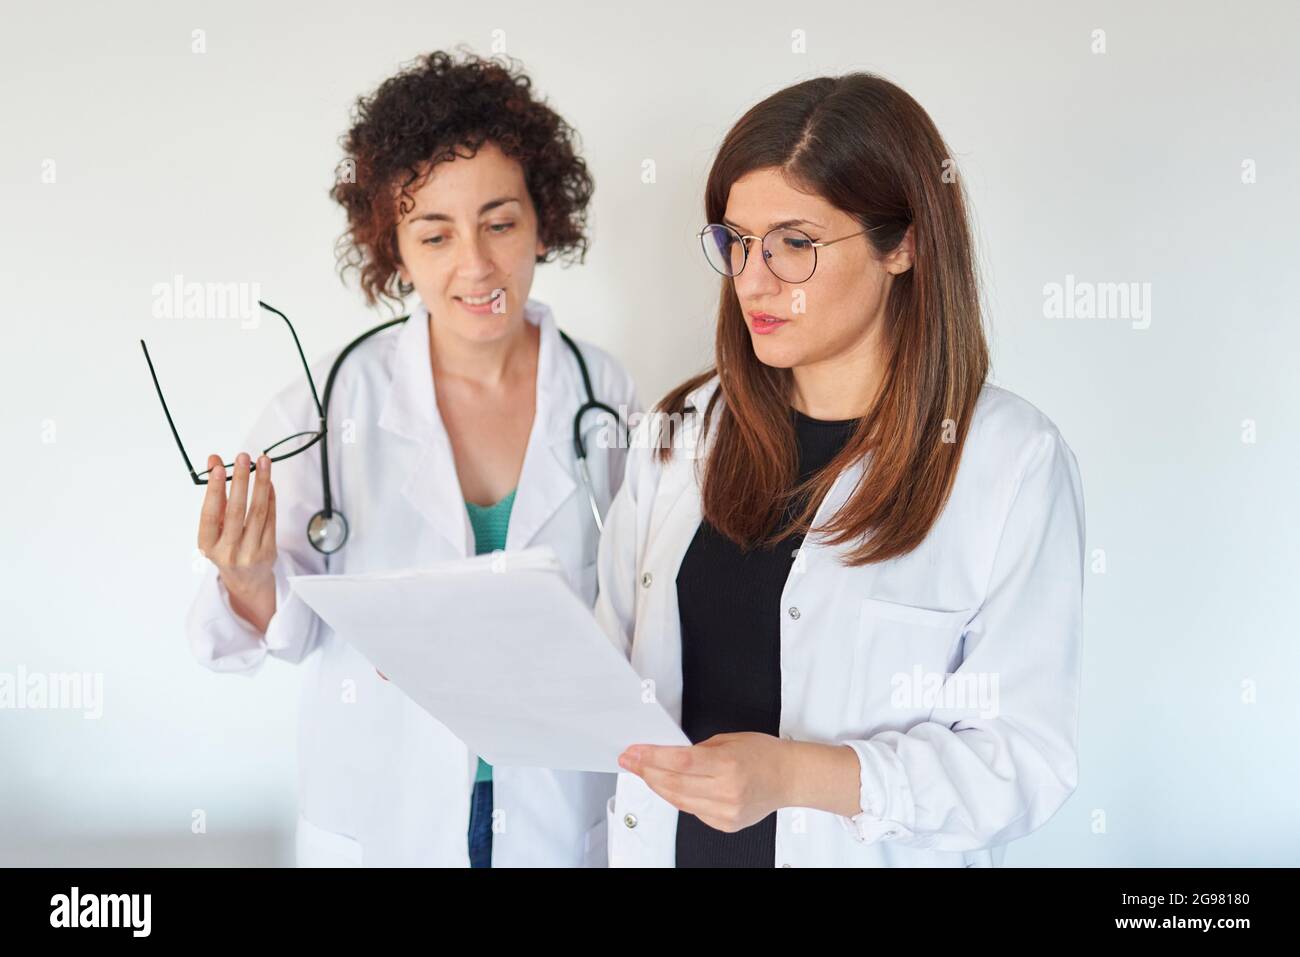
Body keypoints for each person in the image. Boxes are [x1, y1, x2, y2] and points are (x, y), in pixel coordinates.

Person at [595, 72, 1085, 867]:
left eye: (795, 243)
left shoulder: (1009, 462)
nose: (753, 279)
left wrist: (796, 774)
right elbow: (603, 664)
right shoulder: (685, 431)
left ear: (904, 243)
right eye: (737, 241)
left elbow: (1023, 760)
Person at [185, 51, 637, 867]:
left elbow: (639, 614)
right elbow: (255, 640)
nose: (476, 264)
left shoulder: (606, 395)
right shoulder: (318, 414)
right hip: (387, 808)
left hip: (556, 805)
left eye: (500, 222)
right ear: (394, 247)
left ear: (545, 218)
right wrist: (248, 583)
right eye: (435, 234)